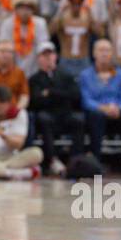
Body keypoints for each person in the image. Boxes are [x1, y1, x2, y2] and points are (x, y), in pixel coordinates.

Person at [26, 42, 90, 177]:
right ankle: (52, 159)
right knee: (44, 119)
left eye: (51, 54)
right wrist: (60, 95)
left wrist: (50, 93)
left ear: (56, 56)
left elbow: (75, 96)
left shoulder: (66, 76)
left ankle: (75, 159)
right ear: (38, 58)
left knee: (78, 120)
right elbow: (36, 101)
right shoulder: (34, 79)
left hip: (64, 114)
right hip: (47, 115)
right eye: (44, 55)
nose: (48, 58)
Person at [78, 39, 121, 175]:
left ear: (112, 53)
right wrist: (103, 108)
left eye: (107, 50)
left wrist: (117, 108)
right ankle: (96, 162)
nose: (104, 54)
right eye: (101, 50)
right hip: (97, 113)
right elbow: (86, 100)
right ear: (94, 53)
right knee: (95, 116)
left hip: (117, 113)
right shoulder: (85, 75)